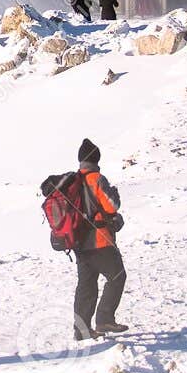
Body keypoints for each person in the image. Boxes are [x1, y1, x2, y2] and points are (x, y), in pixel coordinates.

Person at [72, 138, 128, 339]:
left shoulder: (72, 182)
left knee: (86, 285)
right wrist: (114, 194)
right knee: (117, 276)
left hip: (78, 243)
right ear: (96, 158)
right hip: (99, 239)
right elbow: (111, 206)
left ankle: (82, 330)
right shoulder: (96, 179)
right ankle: (104, 319)